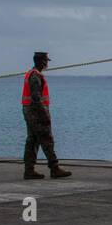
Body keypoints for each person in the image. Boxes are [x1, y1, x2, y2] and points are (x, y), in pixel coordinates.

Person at [21, 51, 72, 180]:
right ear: (41, 62)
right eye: (46, 61)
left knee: (32, 140)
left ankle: (29, 170)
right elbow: (36, 98)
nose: (47, 64)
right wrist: (44, 116)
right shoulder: (35, 76)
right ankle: (54, 168)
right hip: (36, 112)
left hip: (29, 111)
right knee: (46, 139)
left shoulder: (31, 74)